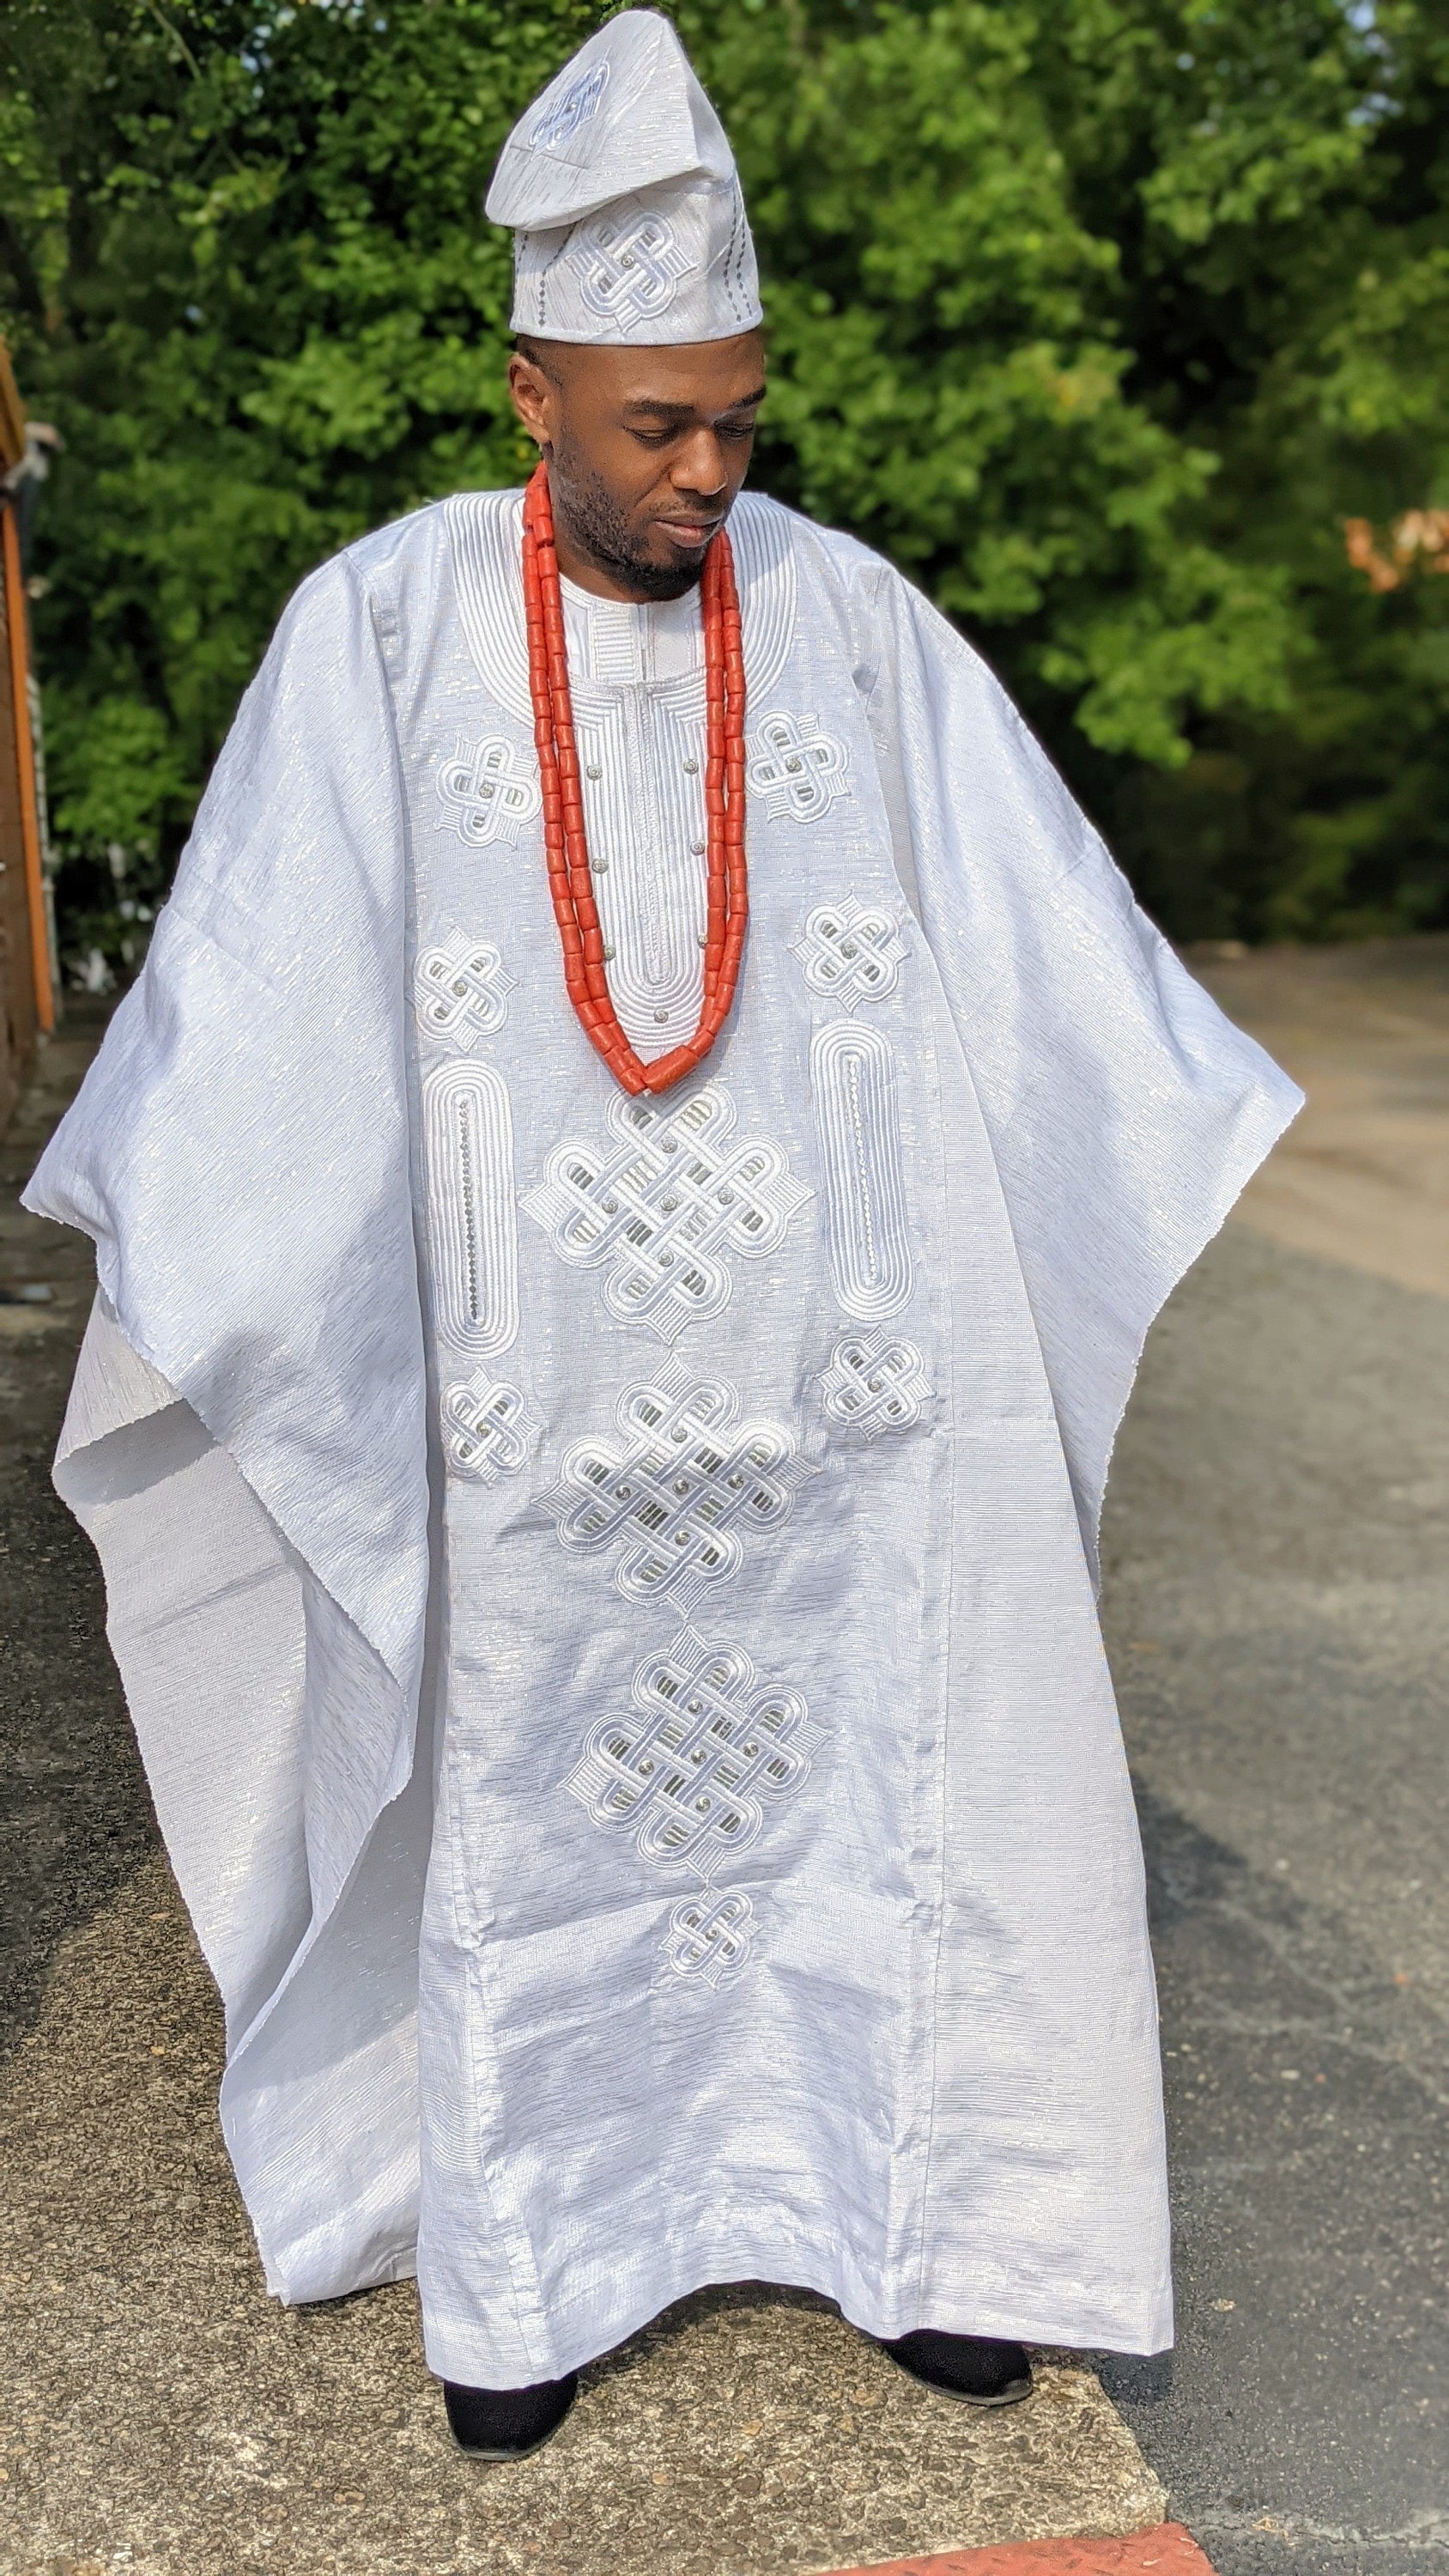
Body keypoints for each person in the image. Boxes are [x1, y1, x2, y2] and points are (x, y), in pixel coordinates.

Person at [26, 9, 1300, 2465]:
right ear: (534, 394)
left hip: (852, 1412)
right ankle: (541, 2259)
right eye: (656, 427)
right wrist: (235, 1256)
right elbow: (266, 1023)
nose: (710, 470)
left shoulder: (852, 617)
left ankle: (925, 2225)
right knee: (543, 1802)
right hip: (536, 1431)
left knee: (888, 1782)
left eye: (738, 419)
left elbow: (1047, 966)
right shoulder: (381, 627)